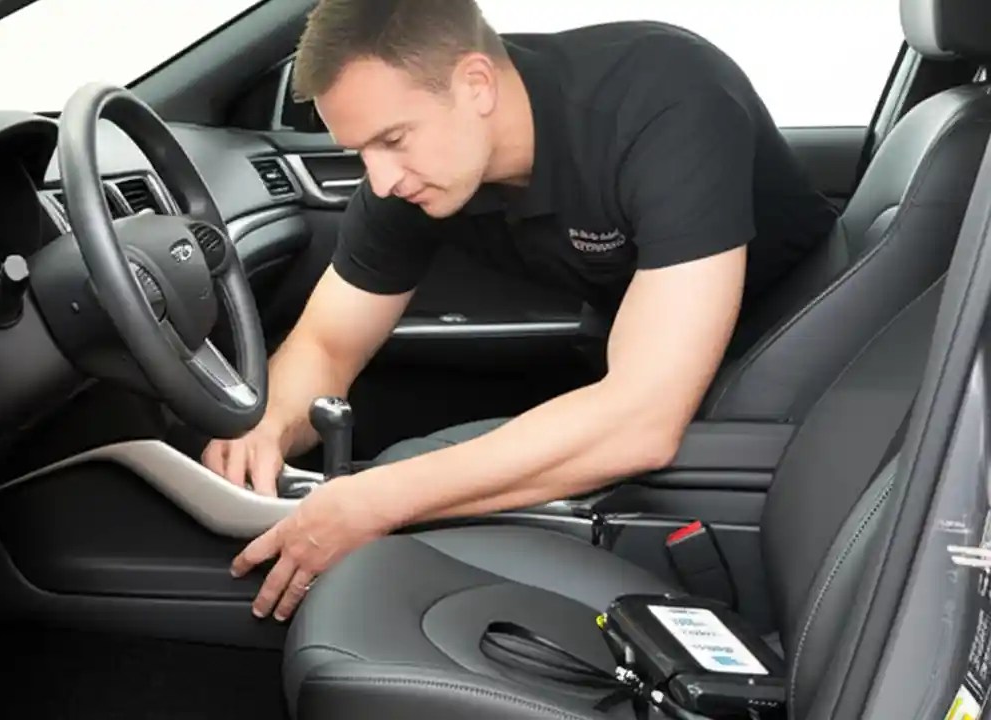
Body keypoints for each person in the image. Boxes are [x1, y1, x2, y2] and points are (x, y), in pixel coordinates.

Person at [212, 0, 838, 622]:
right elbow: (327, 344)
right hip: (646, 350)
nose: (379, 181)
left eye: (393, 140)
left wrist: (381, 499)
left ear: (476, 83)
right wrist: (264, 427)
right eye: (359, 152)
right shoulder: (412, 175)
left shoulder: (662, 99)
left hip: (792, 364)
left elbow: (642, 416)